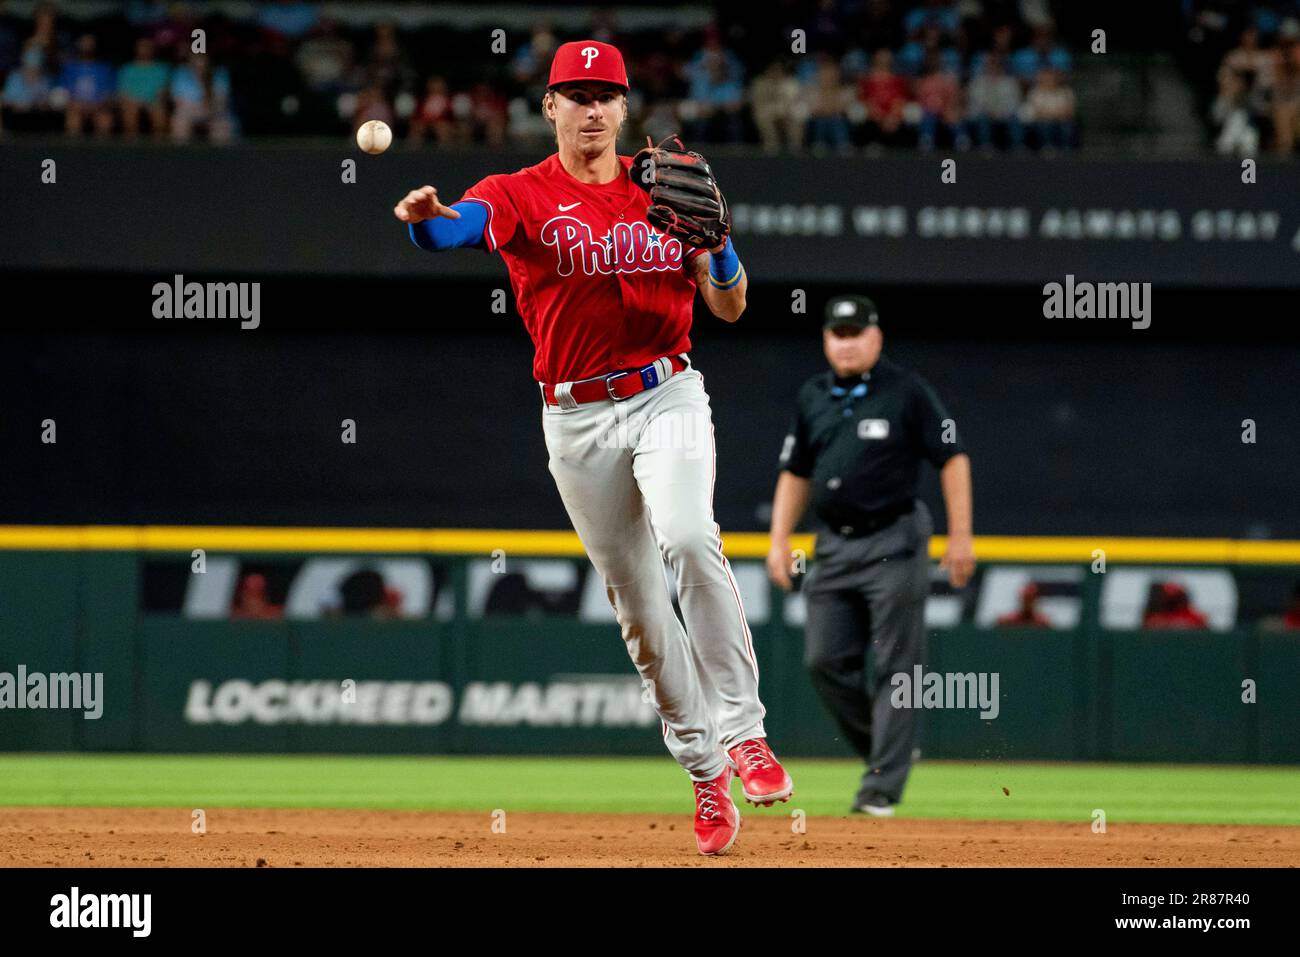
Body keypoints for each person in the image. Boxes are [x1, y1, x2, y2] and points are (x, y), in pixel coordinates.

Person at [392, 40, 790, 857]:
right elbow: (461, 231)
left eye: (606, 94)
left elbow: (733, 306)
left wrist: (720, 245)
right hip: (575, 417)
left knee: (687, 533)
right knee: (641, 609)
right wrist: (428, 223)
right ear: (549, 107)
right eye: (575, 94)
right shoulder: (519, 192)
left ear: (624, 105)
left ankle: (746, 734)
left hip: (667, 387)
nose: (593, 108)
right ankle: (705, 770)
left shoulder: (669, 180)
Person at [766, 295, 974, 816]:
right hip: (832, 542)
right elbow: (796, 471)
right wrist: (779, 538)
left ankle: (880, 788)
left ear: (877, 337)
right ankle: (887, 751)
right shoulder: (812, 394)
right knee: (823, 662)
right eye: (838, 333)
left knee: (896, 667)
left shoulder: (906, 392)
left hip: (894, 540)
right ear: (826, 340)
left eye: (857, 332)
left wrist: (961, 535)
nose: (848, 341)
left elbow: (952, 457)